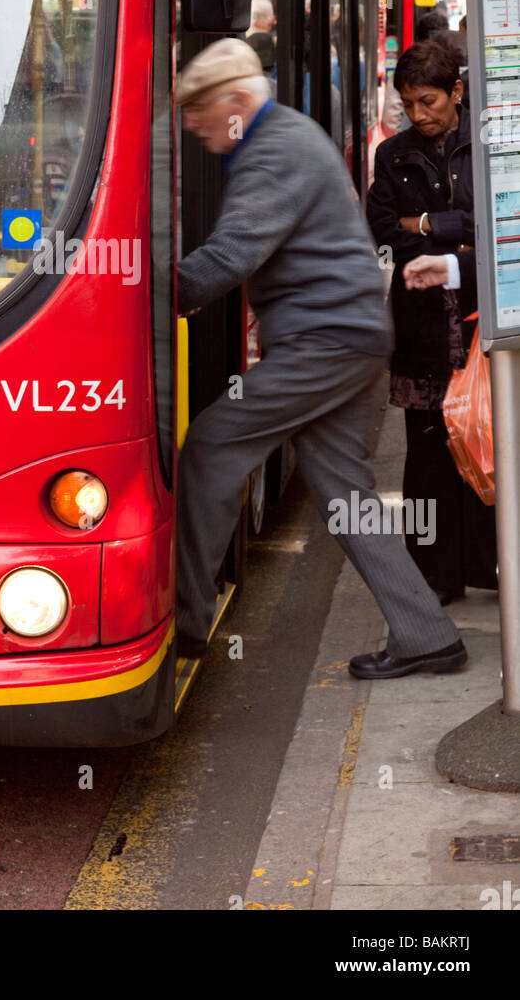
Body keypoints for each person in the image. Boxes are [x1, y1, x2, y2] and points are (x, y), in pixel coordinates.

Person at [175, 37, 466, 677]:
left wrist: (141, 296)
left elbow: (230, 256)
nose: (192, 123)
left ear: (237, 101)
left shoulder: (272, 150)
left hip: (325, 342)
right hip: (353, 336)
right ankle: (428, 637)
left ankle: (185, 623)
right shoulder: (284, 137)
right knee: (345, 497)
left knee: (212, 445)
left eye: (198, 108)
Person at [365, 41, 497, 604]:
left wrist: (426, 222)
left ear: (456, 94)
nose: (418, 115)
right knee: (427, 456)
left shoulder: (490, 145)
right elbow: (382, 227)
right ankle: (434, 579)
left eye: (429, 102)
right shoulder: (392, 156)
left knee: (487, 444)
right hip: (421, 329)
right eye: (408, 103)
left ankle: (490, 565)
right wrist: (451, 230)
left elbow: (493, 222)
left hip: (477, 329)